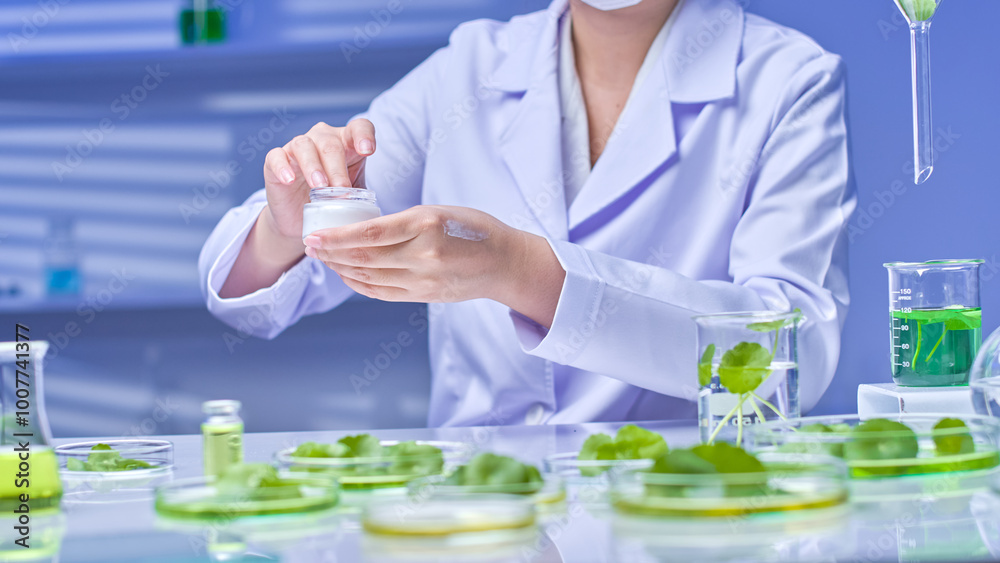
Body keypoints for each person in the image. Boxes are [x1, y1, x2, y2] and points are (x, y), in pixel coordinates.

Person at [199, 0, 856, 427]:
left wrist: (524, 272)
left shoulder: (786, 80)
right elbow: (248, 299)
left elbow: (791, 358)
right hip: (478, 517)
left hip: (679, 512)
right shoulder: (468, 70)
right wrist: (289, 226)